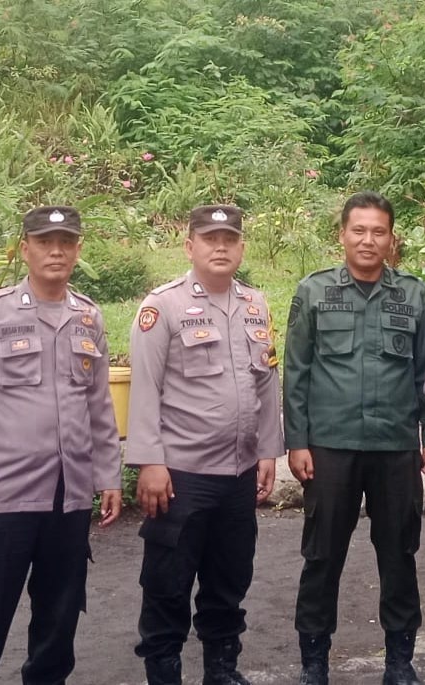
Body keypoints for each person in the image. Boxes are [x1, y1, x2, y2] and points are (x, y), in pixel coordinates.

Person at [0, 206, 123, 685]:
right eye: (44, 241)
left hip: (71, 495)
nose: (56, 250)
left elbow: (100, 405)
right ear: (25, 249)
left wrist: (108, 475)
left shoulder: (89, 317)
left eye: (66, 242)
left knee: (59, 622)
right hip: (6, 493)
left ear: (78, 250)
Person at [283, 191, 425, 685]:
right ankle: (314, 663)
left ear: (391, 239)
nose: (368, 240)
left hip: (395, 448)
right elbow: (296, 371)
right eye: (359, 230)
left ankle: (400, 661)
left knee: (399, 554)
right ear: (342, 235)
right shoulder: (313, 292)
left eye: (378, 232)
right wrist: (297, 440)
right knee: (322, 555)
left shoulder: (413, 294)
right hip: (330, 446)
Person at [127, 205, 282, 685]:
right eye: (210, 238)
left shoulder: (256, 304)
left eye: (229, 239)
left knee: (228, 580)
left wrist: (268, 451)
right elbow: (145, 388)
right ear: (189, 245)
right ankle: (164, 671)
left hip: (237, 475)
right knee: (168, 584)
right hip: (181, 475)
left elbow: (267, 385)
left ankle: (222, 669)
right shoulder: (163, 306)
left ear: (241, 247)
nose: (220, 247)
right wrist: (150, 462)